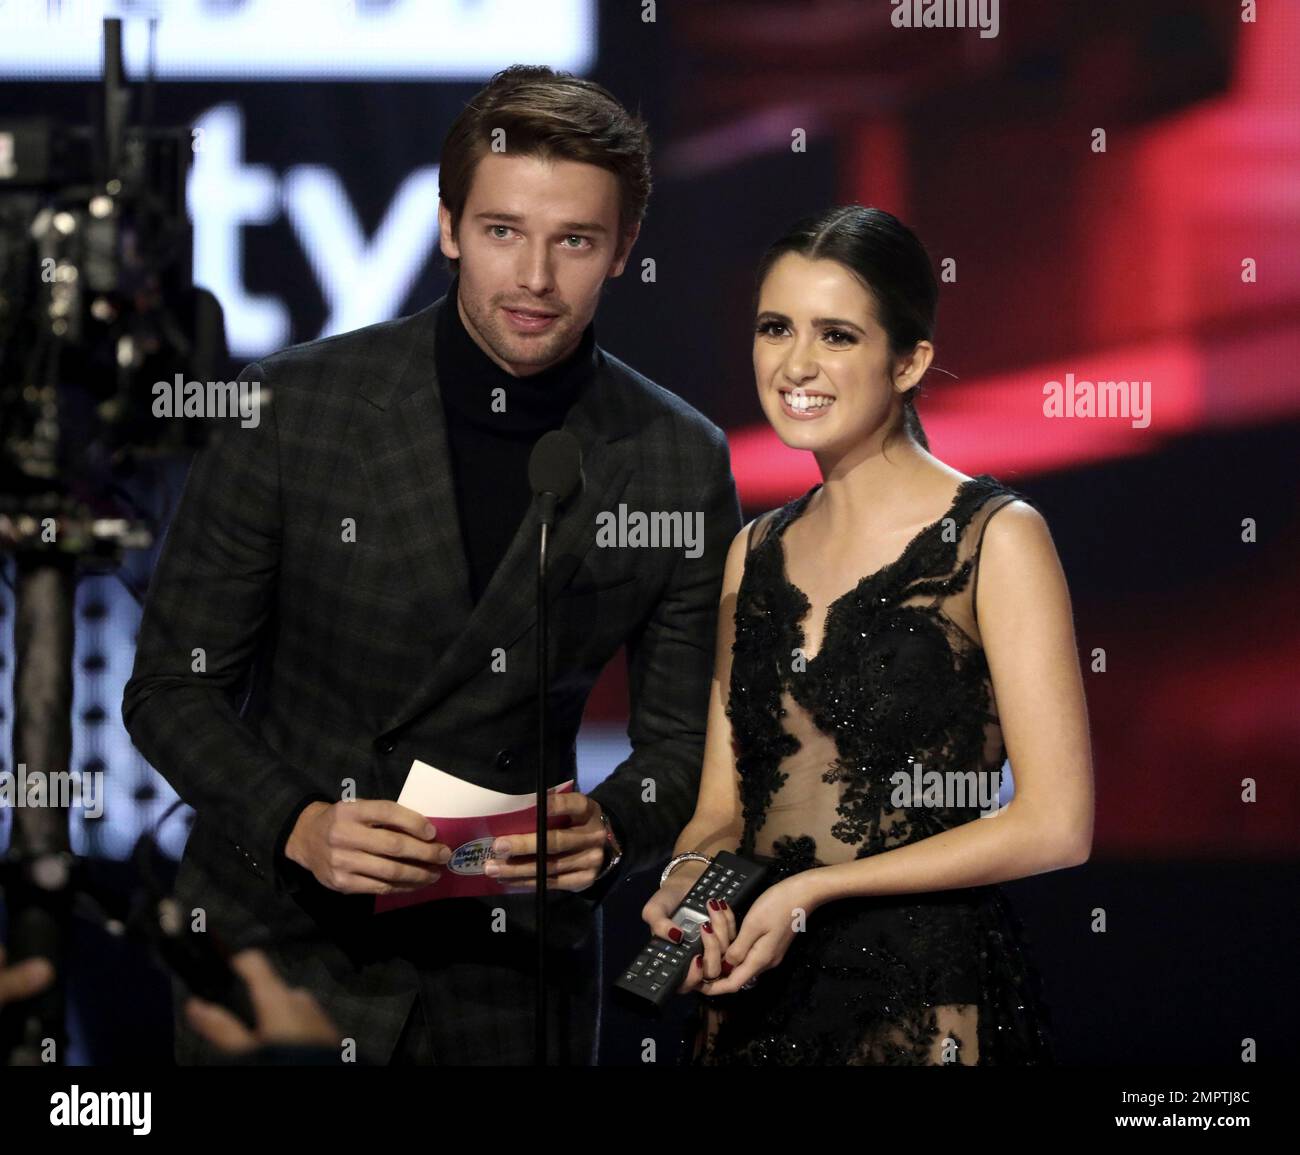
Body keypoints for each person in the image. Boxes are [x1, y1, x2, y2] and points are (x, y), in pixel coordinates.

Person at [122, 65, 742, 1066]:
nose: (533, 278)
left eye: (573, 240)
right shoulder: (290, 409)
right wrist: (299, 822)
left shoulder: (676, 457)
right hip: (284, 943)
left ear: (624, 248)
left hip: (510, 967)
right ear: (448, 226)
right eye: (502, 232)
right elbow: (169, 691)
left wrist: (615, 828)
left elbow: (683, 741)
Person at [641, 205, 1094, 1065]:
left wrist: (816, 889)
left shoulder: (998, 537)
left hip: (921, 1001)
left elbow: (1056, 822)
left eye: (838, 335)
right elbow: (723, 811)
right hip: (752, 994)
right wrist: (685, 889)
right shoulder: (755, 550)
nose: (796, 365)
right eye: (776, 328)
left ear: (911, 359)